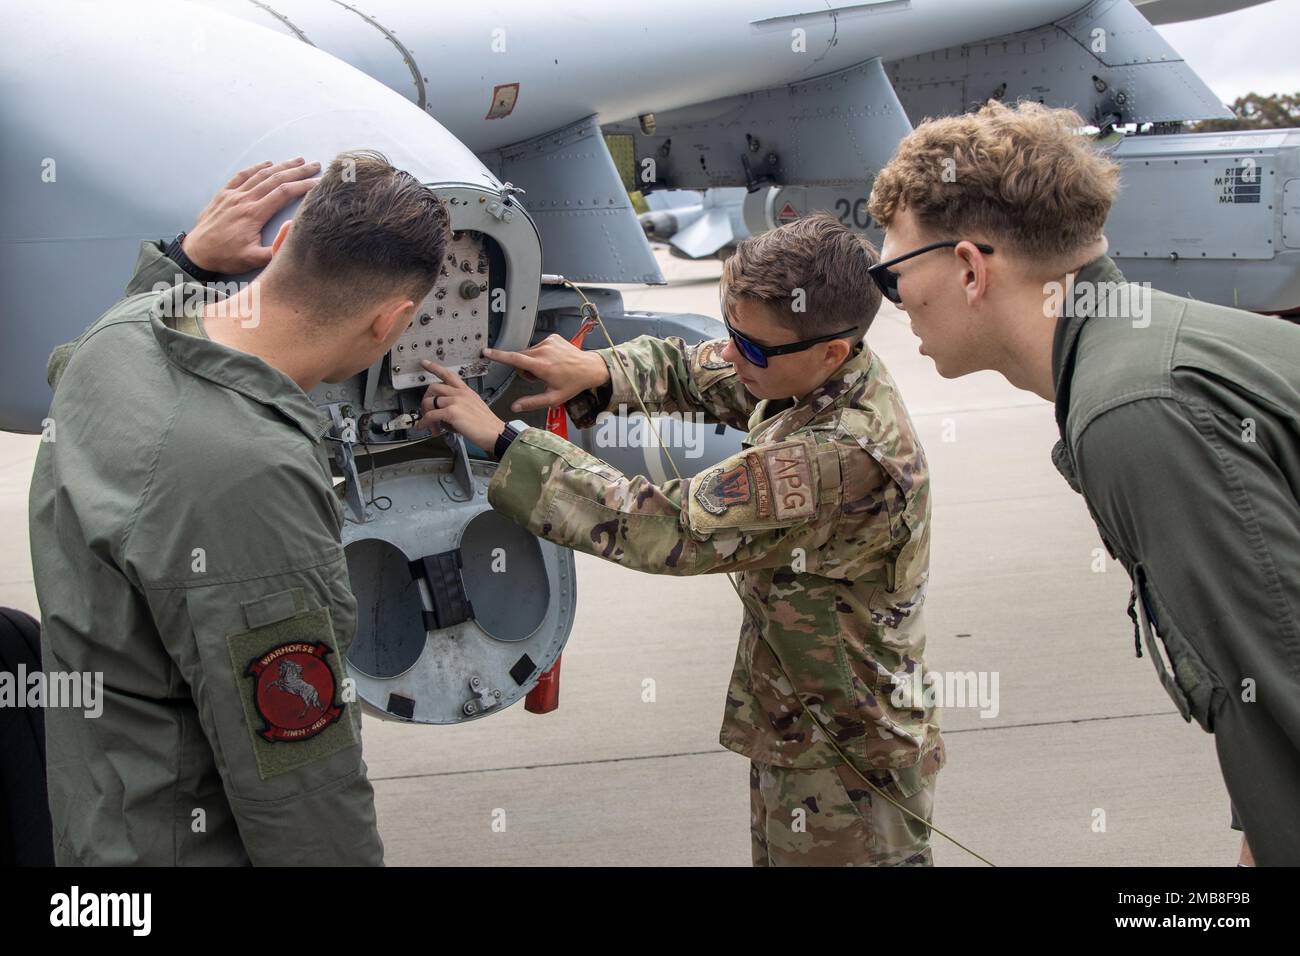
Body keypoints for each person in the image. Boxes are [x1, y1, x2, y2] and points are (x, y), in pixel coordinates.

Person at [419, 212, 945, 866]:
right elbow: (692, 370)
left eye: (751, 347)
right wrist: (599, 371)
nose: (731, 354)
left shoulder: (836, 457)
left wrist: (506, 444)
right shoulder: (808, 372)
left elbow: (665, 525)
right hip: (809, 728)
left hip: (847, 758)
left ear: (830, 350)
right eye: (731, 333)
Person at [865, 99, 1300, 865]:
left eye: (892, 273)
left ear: (969, 268)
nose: (894, 304)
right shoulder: (1143, 343)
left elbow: (1283, 691)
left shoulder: (1135, 410)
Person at [28, 151, 448, 864]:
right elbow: (300, 781)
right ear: (392, 321)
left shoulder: (116, 338)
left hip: (97, 822)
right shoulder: (252, 477)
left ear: (282, 244)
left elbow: (120, 363)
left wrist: (184, 262)